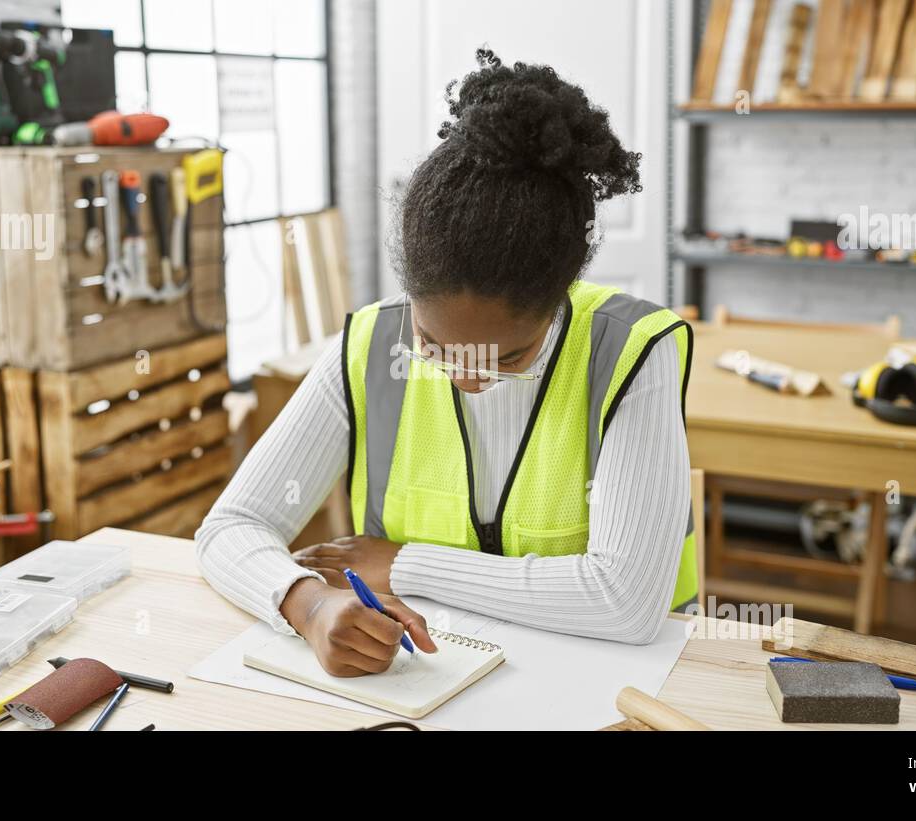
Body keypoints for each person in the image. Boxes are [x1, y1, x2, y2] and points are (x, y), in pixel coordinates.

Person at [197, 48, 694, 677]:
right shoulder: (371, 345)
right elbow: (232, 526)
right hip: (421, 691)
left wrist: (403, 562)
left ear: (562, 296)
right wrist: (308, 603)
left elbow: (624, 603)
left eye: (508, 356)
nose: (465, 376)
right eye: (434, 346)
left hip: (616, 689)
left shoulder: (631, 352)